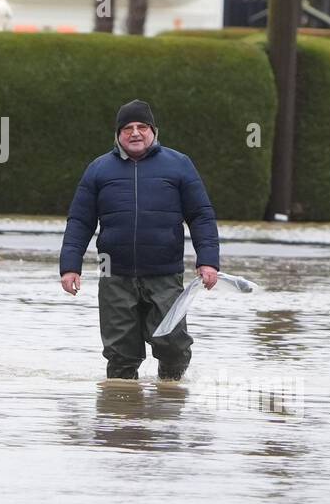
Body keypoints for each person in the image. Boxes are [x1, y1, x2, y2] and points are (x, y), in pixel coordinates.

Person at [59, 100, 220, 380]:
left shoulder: (179, 165)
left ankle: (169, 399)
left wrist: (208, 261)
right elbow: (80, 221)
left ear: (153, 131)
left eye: (142, 127)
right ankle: (121, 415)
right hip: (114, 276)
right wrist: (70, 267)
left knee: (172, 344)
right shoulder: (98, 169)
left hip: (165, 274)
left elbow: (201, 216)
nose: (135, 133)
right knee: (121, 353)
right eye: (128, 128)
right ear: (118, 134)